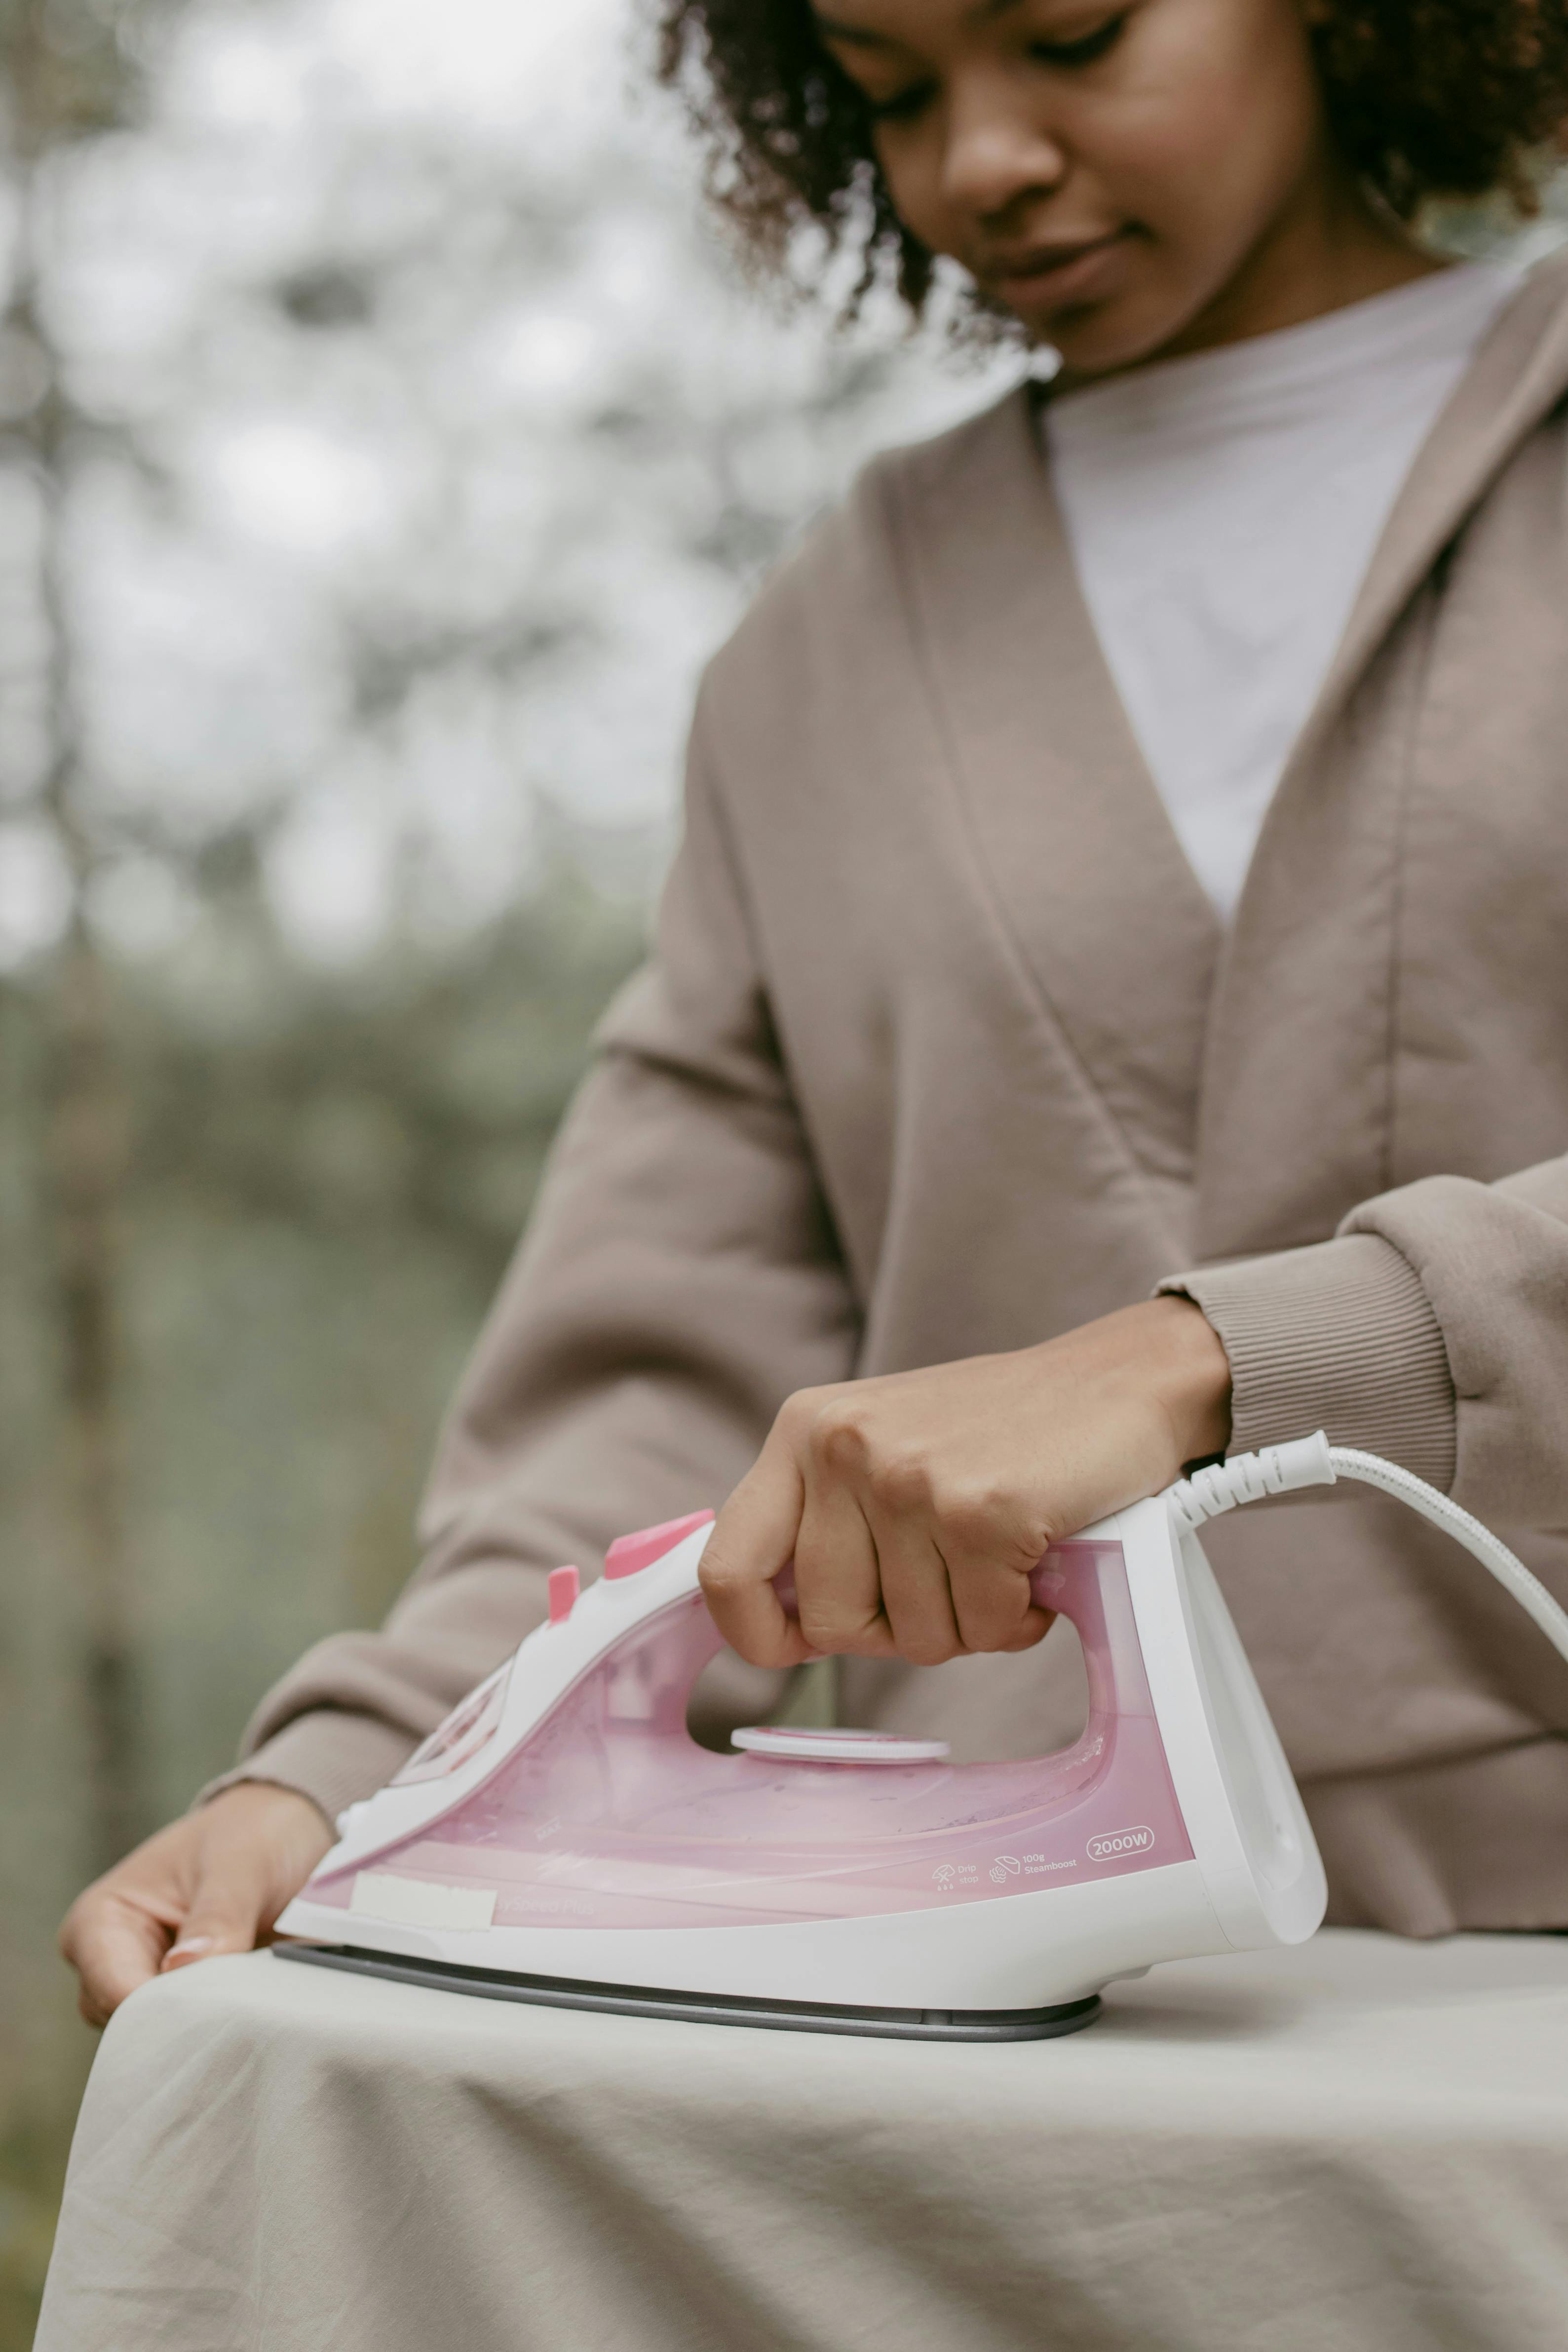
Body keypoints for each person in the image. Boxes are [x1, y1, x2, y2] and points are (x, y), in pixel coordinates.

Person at [63, 0, 1568, 2026]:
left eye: (1073, 34)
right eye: (893, 91)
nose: (980, 165)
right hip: (983, 2020)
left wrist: (1201, 1364)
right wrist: (360, 1767)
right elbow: (667, 1357)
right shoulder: (824, 660)